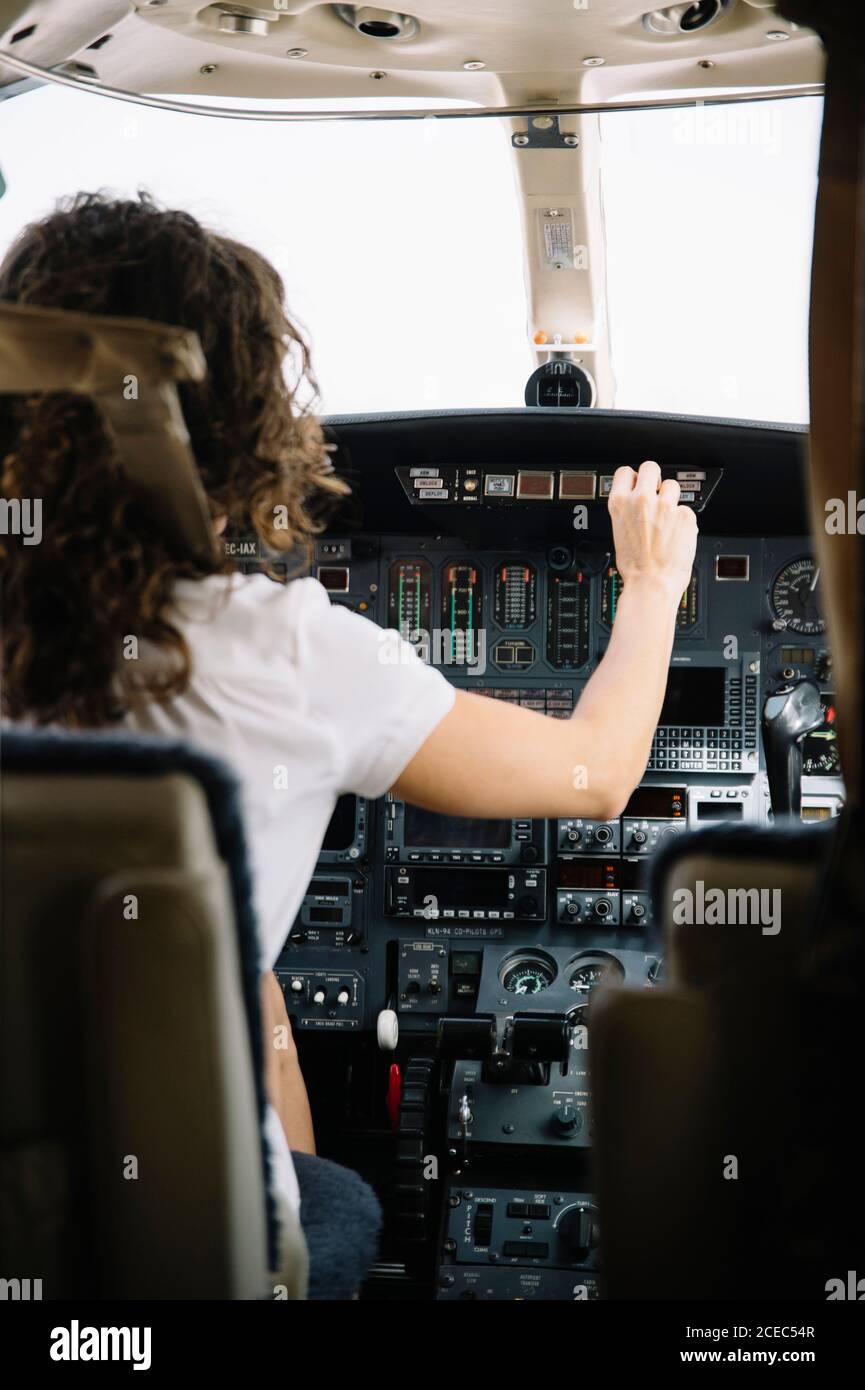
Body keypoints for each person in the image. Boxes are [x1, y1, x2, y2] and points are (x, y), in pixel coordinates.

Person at [0, 192, 697, 1264]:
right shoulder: (280, 649)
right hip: (174, 1245)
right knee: (329, 1193)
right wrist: (649, 585)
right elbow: (597, 770)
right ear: (235, 422)